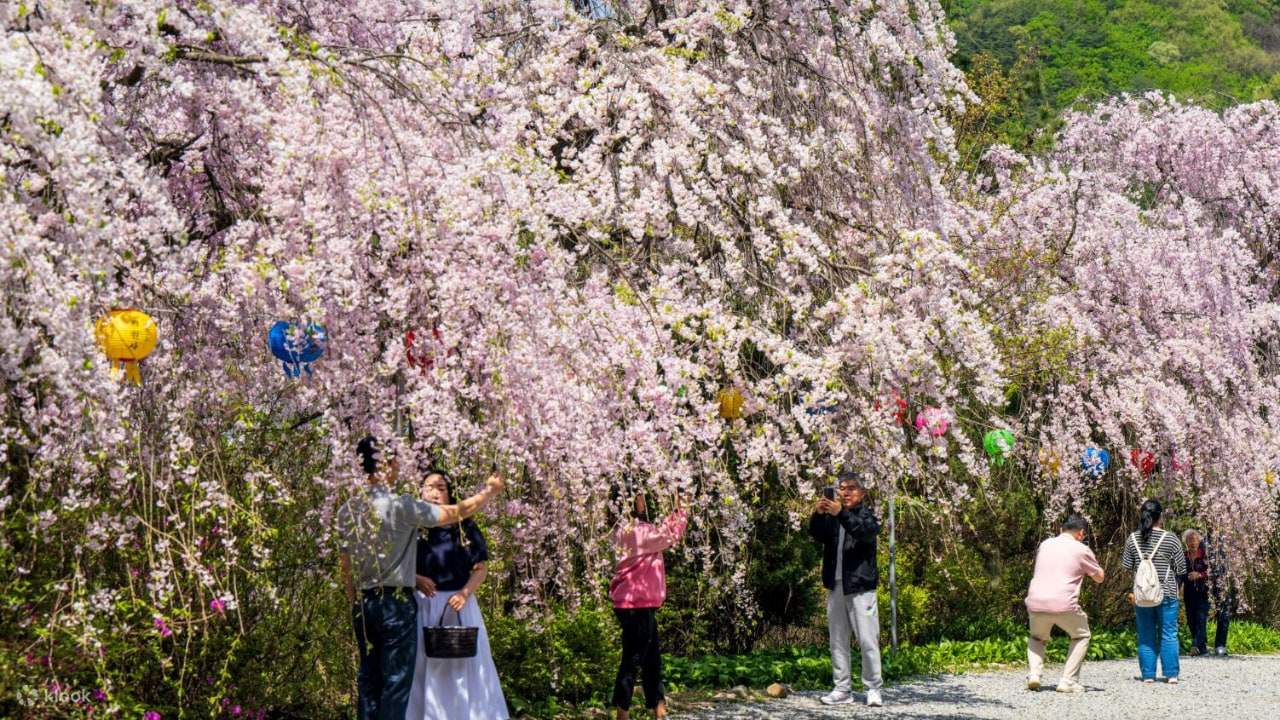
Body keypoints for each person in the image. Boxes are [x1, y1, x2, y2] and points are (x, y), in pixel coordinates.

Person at [336, 437, 504, 720]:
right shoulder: (402, 507)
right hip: (395, 605)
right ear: (387, 464)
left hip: (364, 606)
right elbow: (456, 512)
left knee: (369, 678)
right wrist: (488, 492)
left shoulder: (346, 510)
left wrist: (355, 600)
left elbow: (346, 566)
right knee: (396, 683)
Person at [406, 469, 509, 719]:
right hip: (424, 605)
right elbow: (396, 567)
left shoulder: (464, 526)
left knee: (465, 664)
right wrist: (416, 579)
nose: (435, 492)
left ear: (450, 494)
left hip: (460, 604)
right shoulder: (413, 526)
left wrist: (464, 593)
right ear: (420, 491)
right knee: (425, 664)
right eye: (429, 486)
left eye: (441, 487)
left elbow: (481, 568)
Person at [609, 487, 688, 720]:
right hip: (636, 604)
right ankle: (623, 713)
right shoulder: (634, 531)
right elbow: (669, 535)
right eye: (637, 495)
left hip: (636, 603)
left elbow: (660, 533)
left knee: (652, 657)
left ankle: (658, 710)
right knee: (633, 660)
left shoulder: (627, 530)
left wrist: (675, 511)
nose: (643, 499)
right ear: (628, 502)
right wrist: (680, 509)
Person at [808, 471, 884, 708]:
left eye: (852, 488)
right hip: (836, 585)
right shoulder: (833, 517)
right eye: (842, 488)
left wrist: (841, 513)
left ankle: (873, 688)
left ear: (862, 493)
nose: (846, 492)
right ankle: (842, 689)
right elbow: (816, 535)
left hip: (862, 587)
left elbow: (864, 532)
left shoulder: (867, 516)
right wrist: (819, 515)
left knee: (867, 639)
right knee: (838, 640)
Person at [1023, 516, 1105, 693]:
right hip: (1064, 604)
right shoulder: (1081, 549)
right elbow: (1099, 578)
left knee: (1037, 637)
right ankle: (1068, 681)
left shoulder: (1045, 544)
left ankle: (1034, 675)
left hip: (1035, 601)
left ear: (1061, 529)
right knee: (1081, 635)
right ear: (1081, 533)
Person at [1121, 499, 1187, 684]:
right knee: (1168, 633)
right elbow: (1181, 569)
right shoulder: (1171, 538)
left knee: (1146, 633)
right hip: (1167, 592)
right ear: (1160, 516)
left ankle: (1148, 675)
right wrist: (1176, 590)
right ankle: (1171, 674)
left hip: (1142, 595)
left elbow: (1127, 566)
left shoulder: (1132, 539)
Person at [1181, 528, 1210, 656]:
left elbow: (1212, 571)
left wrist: (1199, 575)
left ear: (1199, 541)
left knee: (1201, 618)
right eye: (1189, 541)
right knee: (1191, 619)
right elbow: (1180, 573)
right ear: (1185, 542)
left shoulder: (1205, 555)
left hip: (1203, 591)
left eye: (1195, 540)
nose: (1192, 543)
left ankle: (1195, 645)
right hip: (1188, 592)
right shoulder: (1183, 556)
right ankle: (1202, 647)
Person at [1207, 532, 1235, 656]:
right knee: (1199, 612)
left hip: (1223, 579)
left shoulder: (1230, 535)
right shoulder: (1203, 536)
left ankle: (1220, 644)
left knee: (1224, 613)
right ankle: (1199, 644)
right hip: (1205, 578)